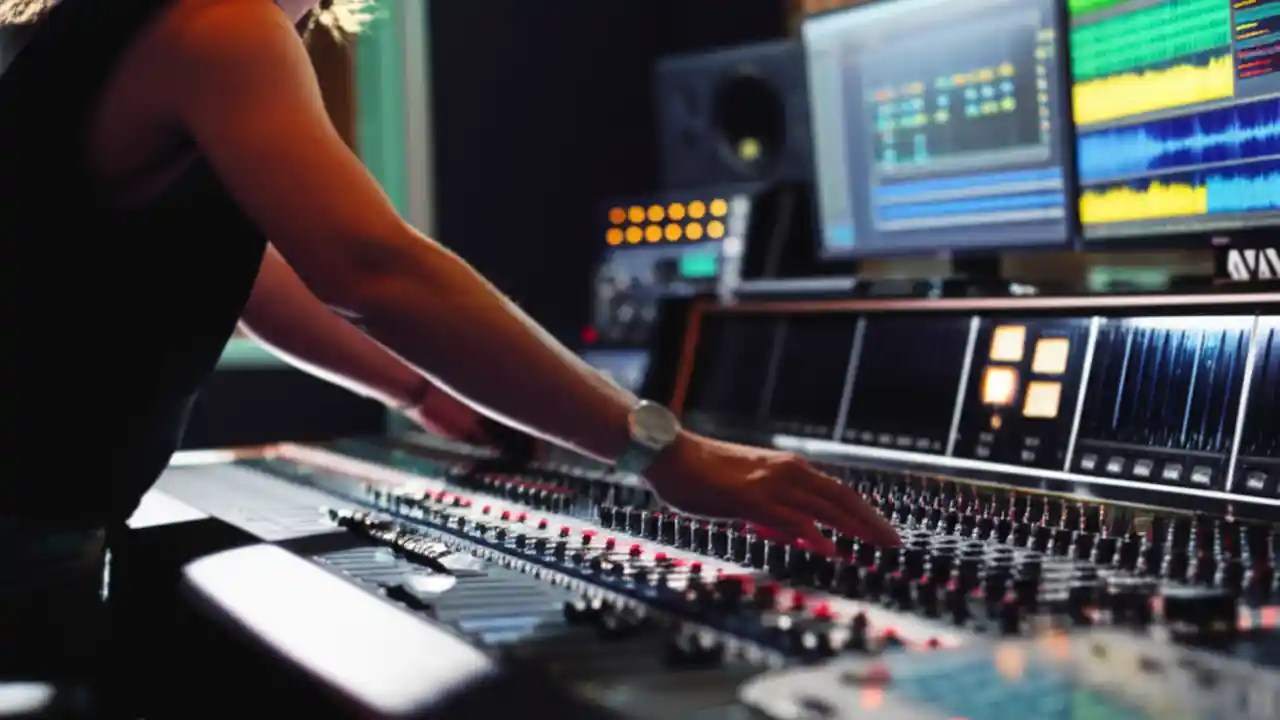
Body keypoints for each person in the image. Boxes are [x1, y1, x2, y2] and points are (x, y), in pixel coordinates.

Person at [0, 0, 899, 689]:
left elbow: (266, 281)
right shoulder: (219, 25)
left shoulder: (137, 26)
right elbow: (373, 271)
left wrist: (421, 393)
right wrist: (660, 448)